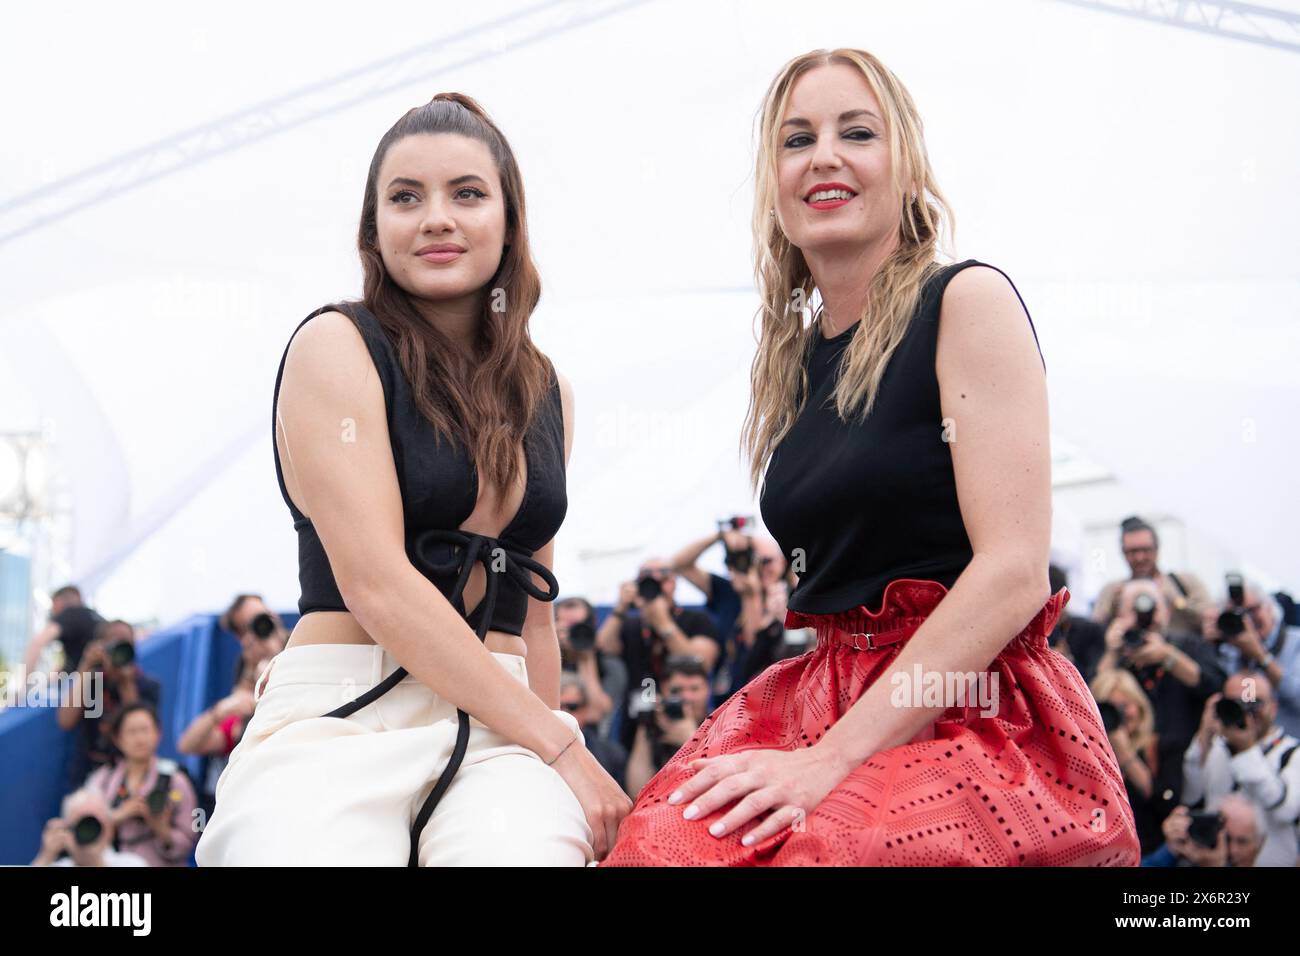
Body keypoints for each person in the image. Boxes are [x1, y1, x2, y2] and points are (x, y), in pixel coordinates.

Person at [601, 48, 1140, 866]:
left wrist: (831, 760)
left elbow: (1012, 571)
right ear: (773, 184)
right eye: (796, 139)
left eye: (857, 132)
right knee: (661, 842)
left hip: (971, 704)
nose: (823, 155)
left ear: (907, 167)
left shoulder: (965, 301)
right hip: (823, 687)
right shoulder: (793, 361)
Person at [195, 93, 629, 867]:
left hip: (506, 727)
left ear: (508, 219)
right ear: (373, 228)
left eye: (467, 193)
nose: (436, 217)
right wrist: (564, 750)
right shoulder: (336, 345)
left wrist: (548, 750)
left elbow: (533, 616)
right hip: (345, 709)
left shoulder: (546, 390)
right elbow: (379, 586)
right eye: (405, 197)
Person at [86, 703, 200, 866]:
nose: (139, 738)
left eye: (145, 730)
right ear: (117, 739)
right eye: (131, 732)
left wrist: (161, 828)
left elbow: (190, 841)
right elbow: (84, 827)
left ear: (158, 734)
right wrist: (117, 816)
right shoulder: (103, 778)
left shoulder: (176, 780)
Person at [57, 619, 162, 793]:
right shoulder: (92, 682)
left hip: (132, 775)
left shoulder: (147, 685)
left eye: (126, 643)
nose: (120, 648)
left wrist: (125, 684)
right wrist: (86, 666)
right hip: (89, 772)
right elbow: (65, 720)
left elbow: (139, 724)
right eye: (114, 642)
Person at [1091, 517, 1212, 636]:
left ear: (1157, 548)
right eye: (1132, 551)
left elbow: (1211, 620)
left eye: (1145, 550)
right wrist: (1113, 609)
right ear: (1123, 552)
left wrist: (1177, 601)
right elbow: (1093, 633)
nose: (1140, 558)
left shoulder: (1185, 582)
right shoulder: (1111, 591)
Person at [31, 788, 149, 867]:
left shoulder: (132, 863)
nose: (88, 830)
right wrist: (45, 857)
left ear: (109, 829)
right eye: (81, 823)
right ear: (69, 829)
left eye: (94, 823)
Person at [23, 585, 105, 674]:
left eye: (53, 606)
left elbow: (37, 643)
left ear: (59, 602)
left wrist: (27, 683)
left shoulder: (70, 614)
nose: (53, 611)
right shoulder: (97, 618)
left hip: (90, 683)